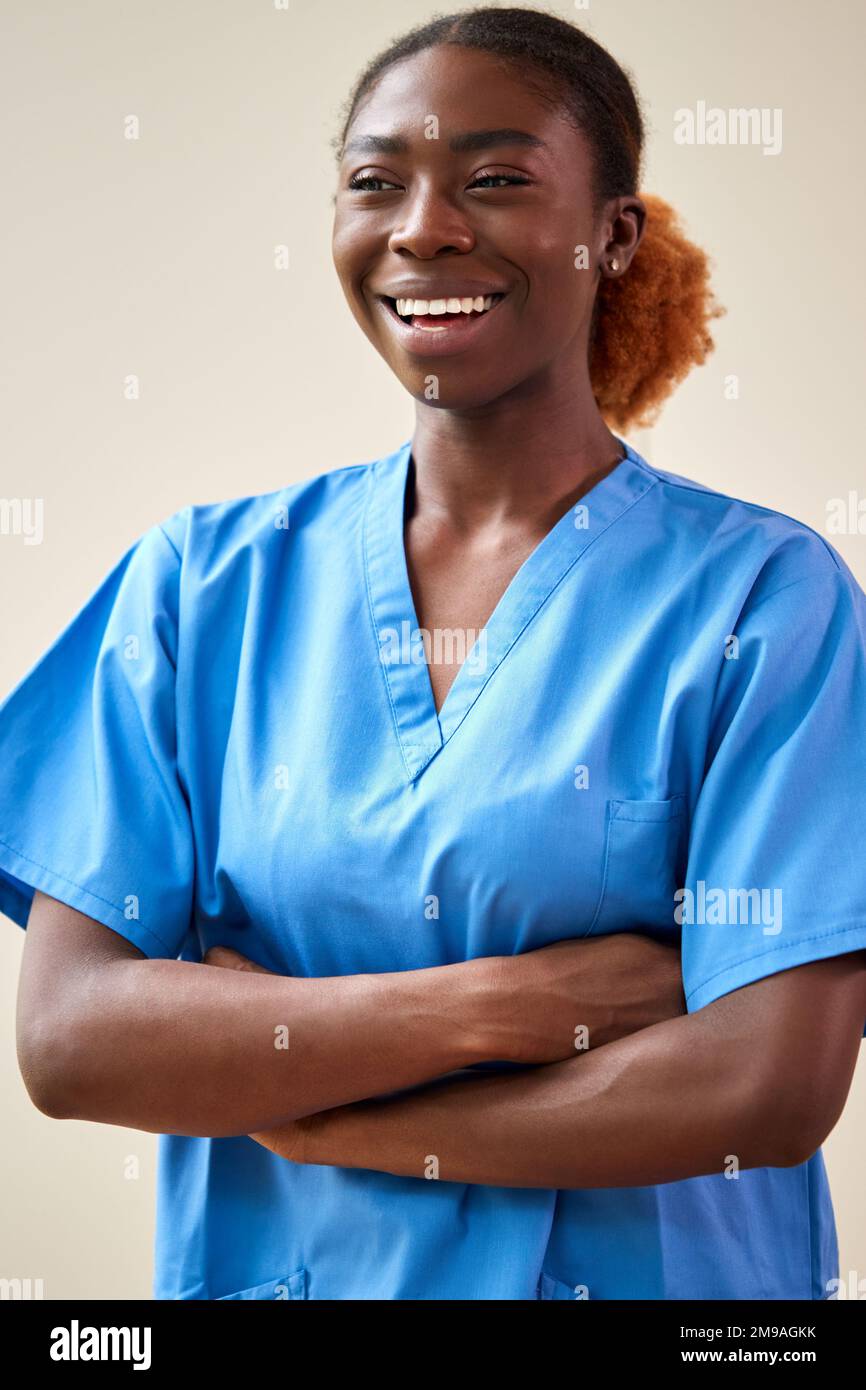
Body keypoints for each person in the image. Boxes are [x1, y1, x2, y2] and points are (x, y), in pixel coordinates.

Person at [2, 7, 865, 1301]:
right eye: (373, 183)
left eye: (496, 179)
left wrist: (316, 1111)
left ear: (613, 235)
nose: (422, 228)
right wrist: (504, 1005)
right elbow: (74, 1044)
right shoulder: (203, 584)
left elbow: (761, 1086)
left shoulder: (761, 596)